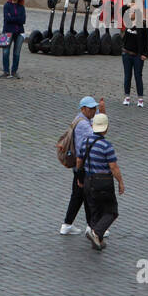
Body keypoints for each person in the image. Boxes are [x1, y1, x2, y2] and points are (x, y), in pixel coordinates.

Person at [80, 113, 124, 250]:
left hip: (88, 180)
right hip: (103, 182)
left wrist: (79, 178)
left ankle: (97, 241)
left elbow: (78, 161)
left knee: (95, 210)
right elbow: (113, 167)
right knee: (111, 211)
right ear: (106, 128)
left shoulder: (85, 142)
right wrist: (120, 182)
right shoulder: (106, 146)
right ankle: (96, 233)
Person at [59, 97, 98, 235]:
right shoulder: (83, 125)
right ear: (83, 109)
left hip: (79, 166)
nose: (93, 111)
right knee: (87, 194)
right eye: (91, 108)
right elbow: (94, 137)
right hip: (83, 166)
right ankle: (91, 227)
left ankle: (68, 224)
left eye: (95, 108)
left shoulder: (80, 119)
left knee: (78, 195)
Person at [121, 6, 148, 107]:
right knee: (127, 76)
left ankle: (140, 99)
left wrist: (145, 54)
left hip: (137, 56)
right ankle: (127, 97)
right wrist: (128, 6)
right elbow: (121, 10)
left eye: (132, 12)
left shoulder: (142, 25)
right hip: (126, 54)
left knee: (138, 77)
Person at [0, 0, 26, 80]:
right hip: (7, 32)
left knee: (16, 53)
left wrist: (13, 18)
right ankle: (6, 71)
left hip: (19, 33)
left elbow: (23, 20)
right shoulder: (7, 5)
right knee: (5, 52)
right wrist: (16, 19)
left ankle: (14, 71)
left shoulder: (21, 7)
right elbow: (7, 19)